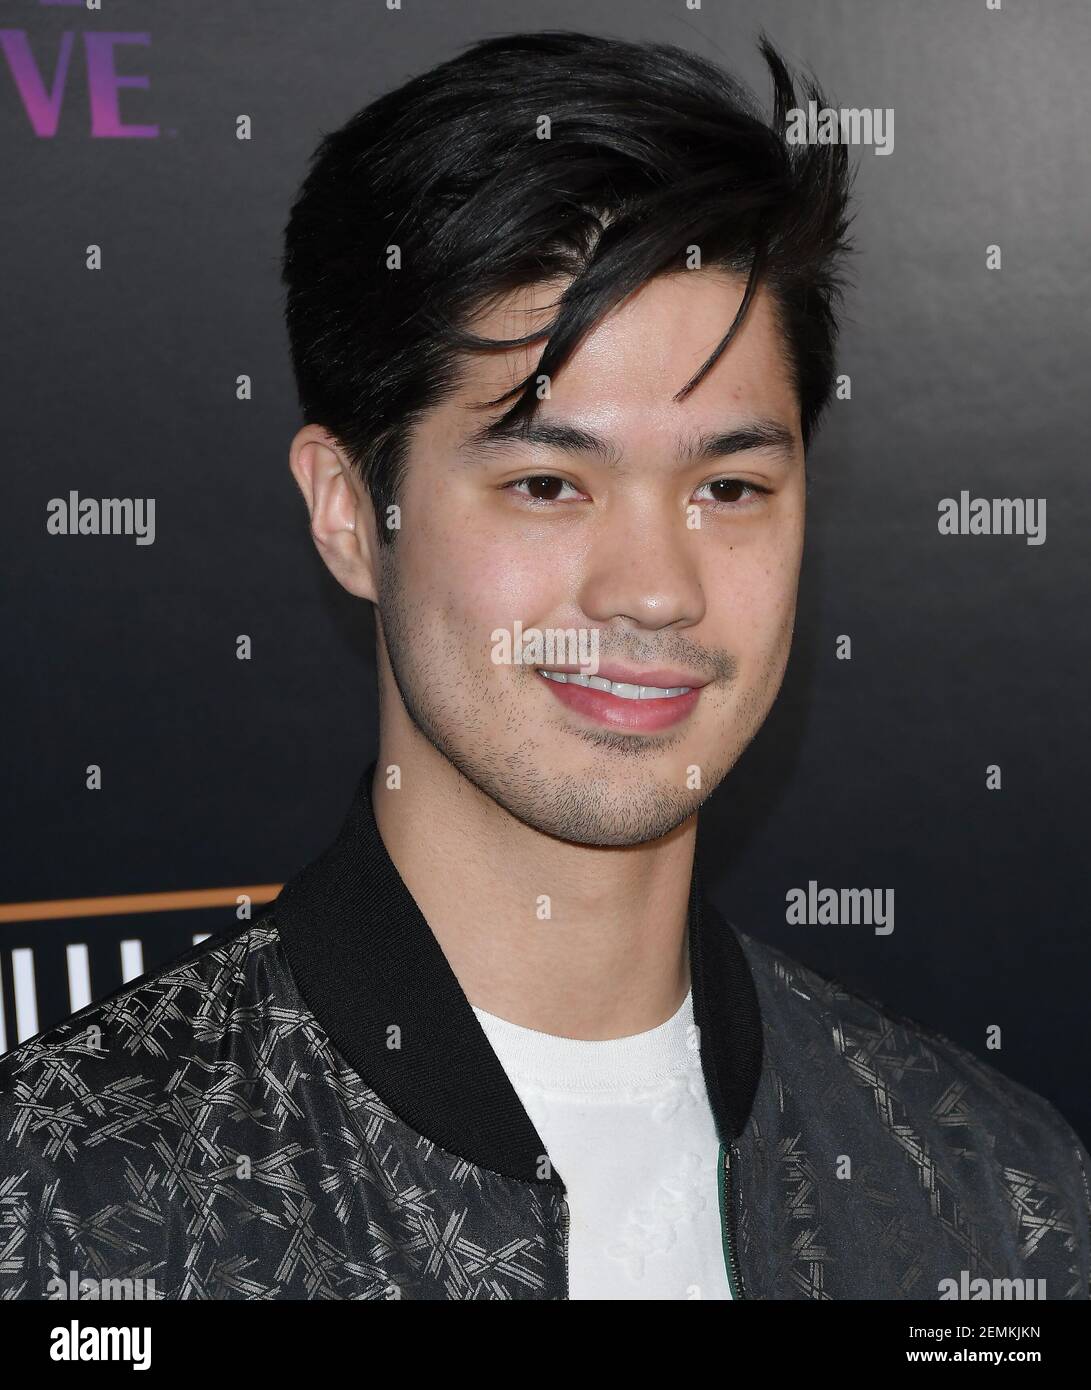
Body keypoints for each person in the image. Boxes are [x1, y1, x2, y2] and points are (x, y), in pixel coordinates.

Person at [1, 29, 1087, 1302]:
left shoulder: (991, 1200)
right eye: (546, 481)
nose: (653, 587)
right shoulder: (70, 1209)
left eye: (728, 485)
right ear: (350, 513)